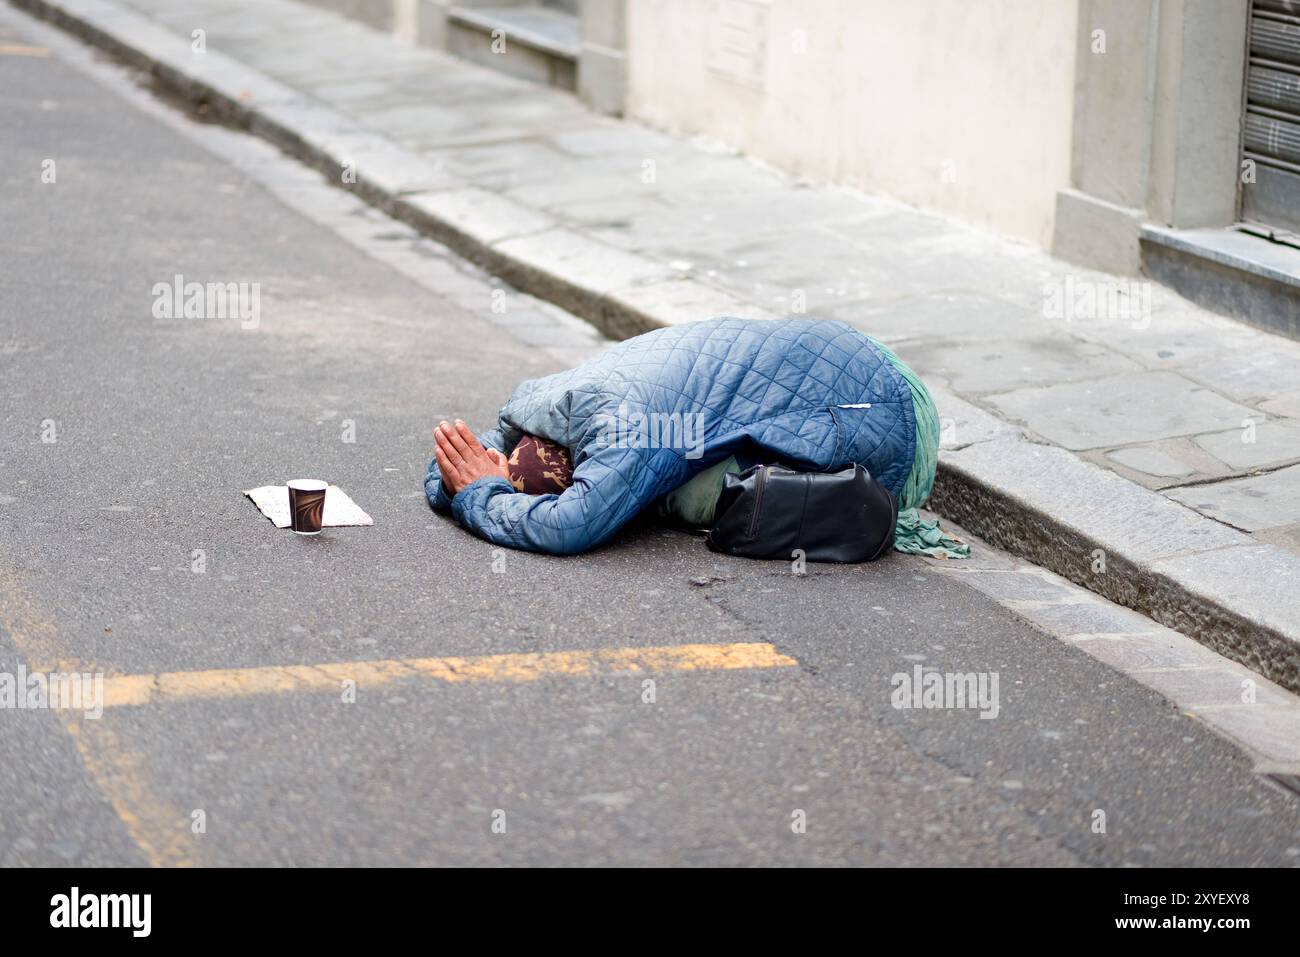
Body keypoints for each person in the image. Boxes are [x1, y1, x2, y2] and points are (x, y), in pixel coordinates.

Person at [426, 316, 967, 558]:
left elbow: (572, 527)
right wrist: (461, 481)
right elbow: (462, 458)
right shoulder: (550, 398)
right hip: (843, 349)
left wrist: (478, 494)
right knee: (683, 482)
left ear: (577, 467)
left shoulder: (626, 435)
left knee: (705, 501)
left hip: (888, 414)